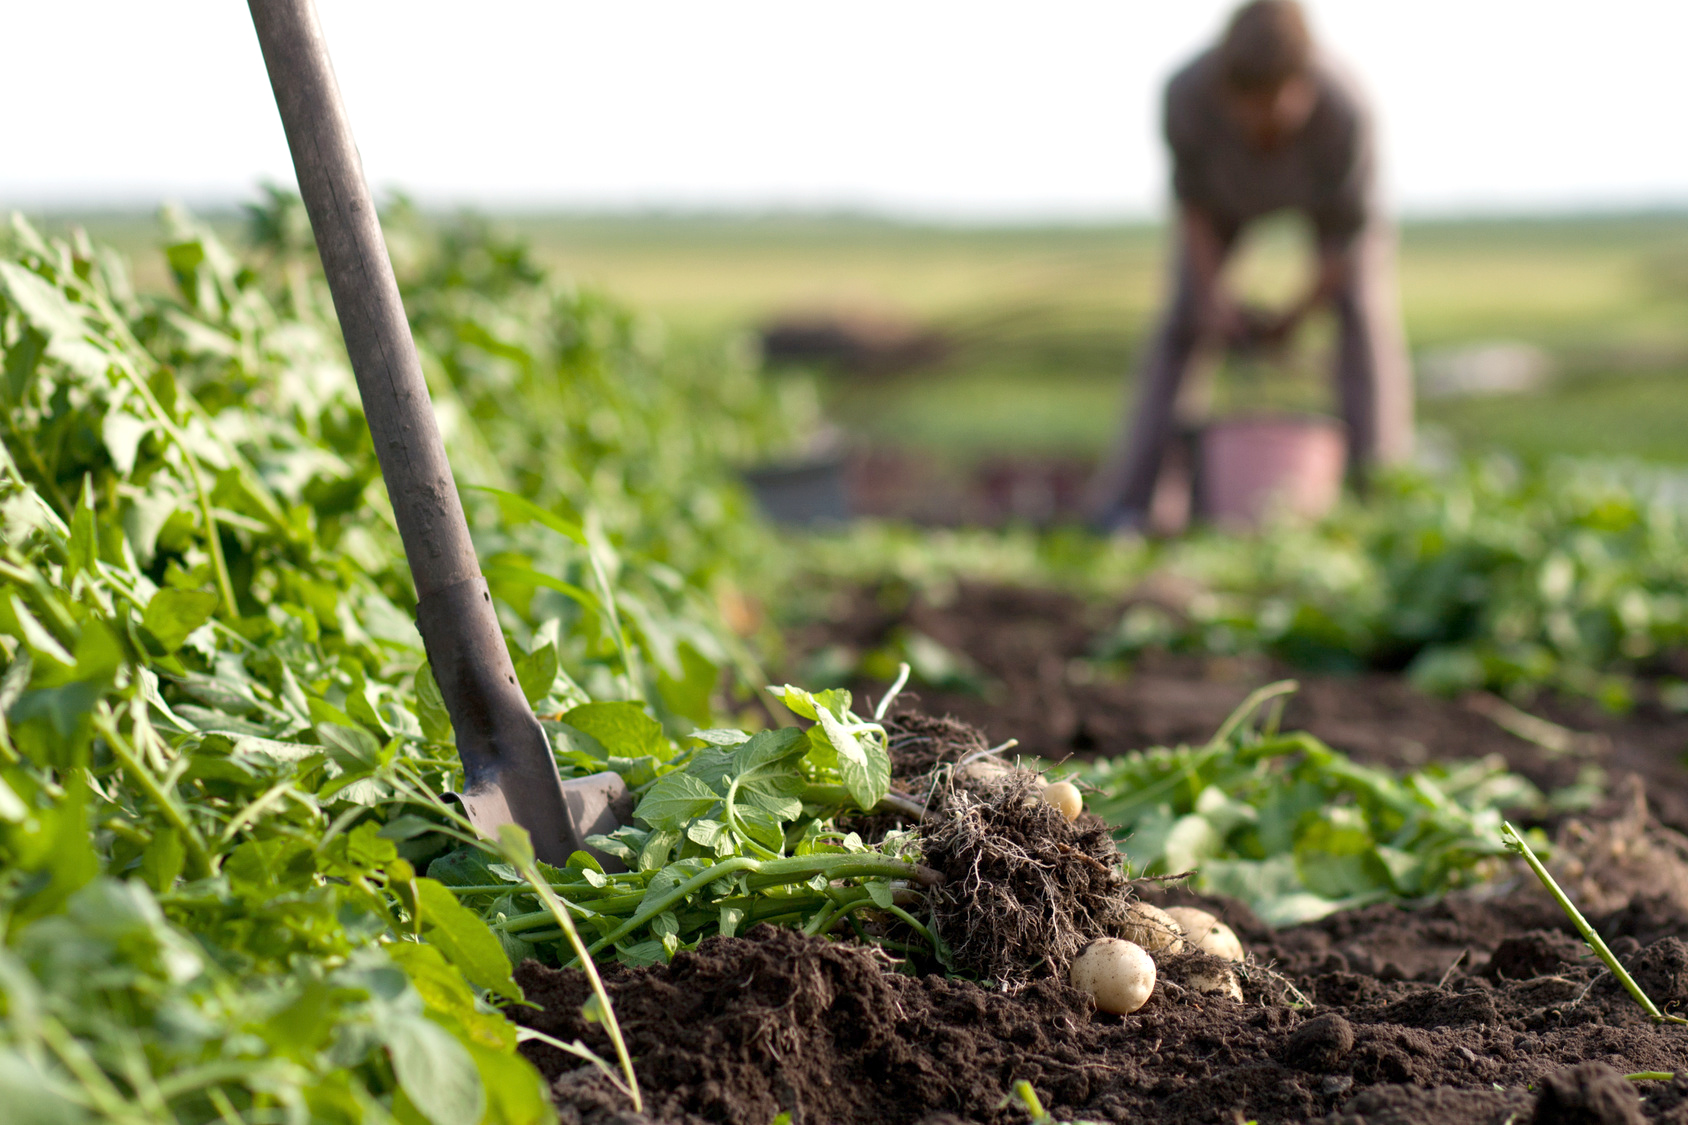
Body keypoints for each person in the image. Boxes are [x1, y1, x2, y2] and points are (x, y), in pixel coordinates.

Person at [1088, 0, 1412, 532]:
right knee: (1182, 321)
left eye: (1274, 105)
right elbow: (1191, 208)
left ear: (1304, 81)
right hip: (1222, 204)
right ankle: (1131, 501)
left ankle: (1379, 490)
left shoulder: (1345, 108)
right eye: (1245, 105)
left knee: (1363, 317)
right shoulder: (1186, 94)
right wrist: (1213, 297)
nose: (1258, 122)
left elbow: (1350, 240)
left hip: (1329, 214)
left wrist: (1295, 315)